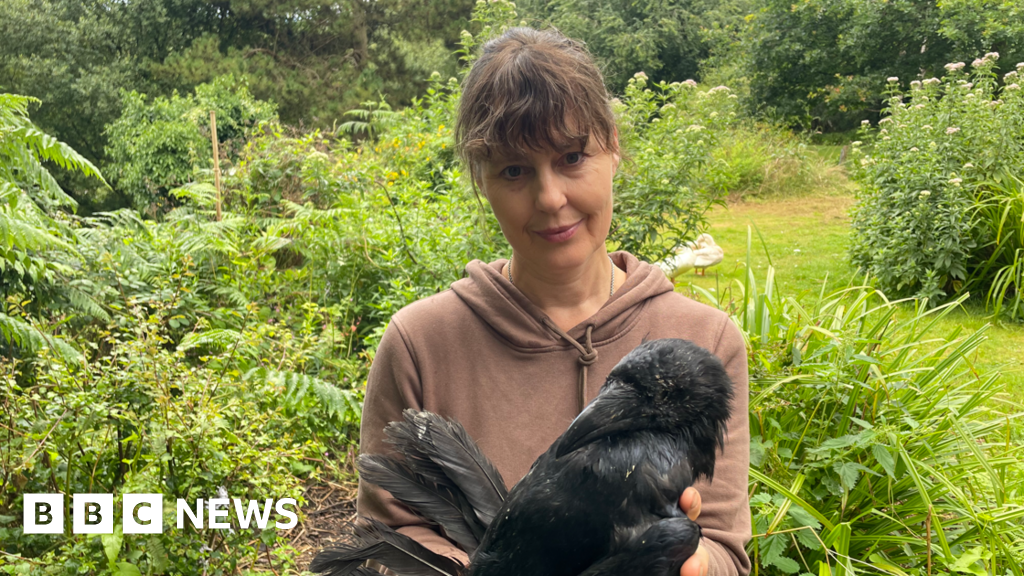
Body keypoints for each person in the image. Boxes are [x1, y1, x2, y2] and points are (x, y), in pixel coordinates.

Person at [356, 27, 751, 576]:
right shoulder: (421, 342)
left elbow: (729, 551)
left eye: (571, 156)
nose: (550, 198)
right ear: (481, 179)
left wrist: (687, 561)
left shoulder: (704, 341)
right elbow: (392, 533)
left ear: (613, 147)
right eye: (514, 170)